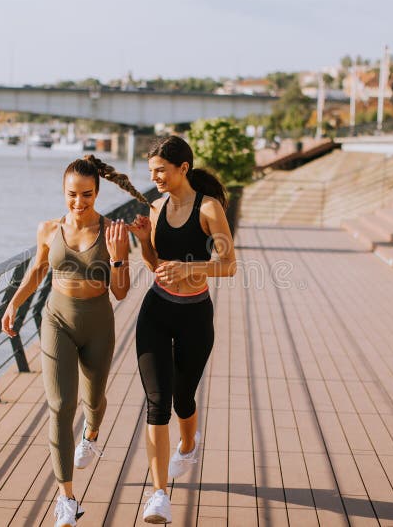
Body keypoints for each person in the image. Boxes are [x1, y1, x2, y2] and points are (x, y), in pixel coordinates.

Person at [1, 155, 150, 527]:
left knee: (93, 399)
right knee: (61, 405)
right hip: (56, 321)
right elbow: (37, 269)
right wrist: (14, 304)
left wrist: (118, 259)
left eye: (86, 195)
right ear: (63, 192)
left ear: (97, 192)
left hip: (98, 323)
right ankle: (66, 497)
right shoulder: (49, 228)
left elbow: (121, 292)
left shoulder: (113, 231)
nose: (78, 203)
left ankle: (93, 430)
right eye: (72, 195)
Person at [128, 135, 237, 524]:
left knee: (182, 398)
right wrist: (143, 243)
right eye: (151, 171)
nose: (154, 177)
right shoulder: (156, 208)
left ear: (183, 168)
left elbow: (229, 265)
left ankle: (189, 443)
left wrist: (191, 267)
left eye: (160, 170)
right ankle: (159, 495)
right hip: (156, 310)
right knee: (157, 403)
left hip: (194, 315)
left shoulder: (208, 209)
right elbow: (155, 263)